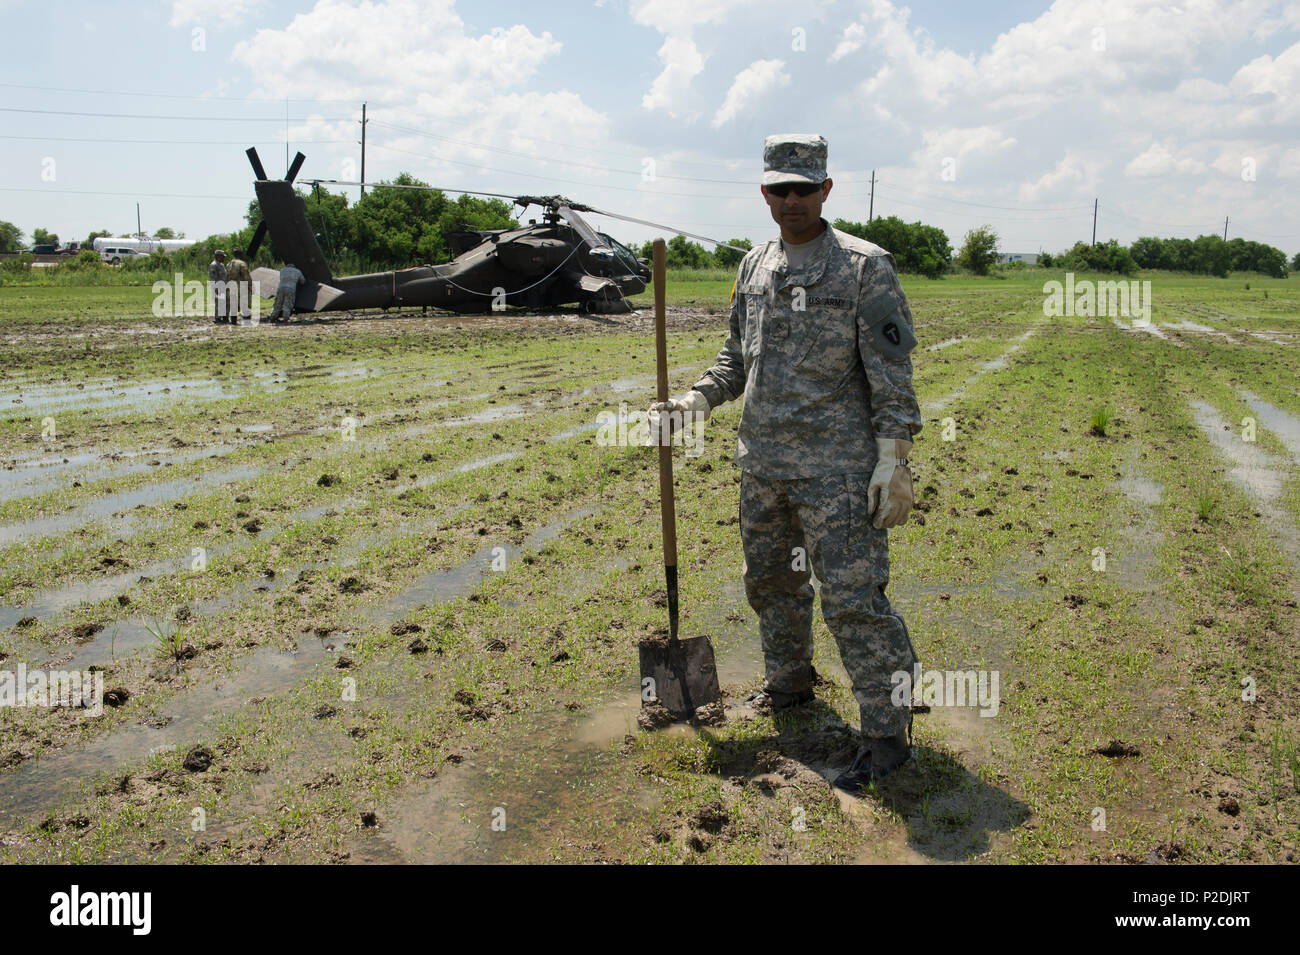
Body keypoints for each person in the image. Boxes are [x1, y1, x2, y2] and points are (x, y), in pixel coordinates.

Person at [649, 134, 923, 792]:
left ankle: (887, 733)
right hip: (763, 464)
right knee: (771, 585)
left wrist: (896, 457)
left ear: (827, 189)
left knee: (855, 600)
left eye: (805, 188)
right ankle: (789, 685)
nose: (792, 199)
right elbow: (734, 361)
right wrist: (696, 400)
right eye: (780, 188)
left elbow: (892, 376)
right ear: (764, 192)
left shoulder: (864, 266)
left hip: (838, 471)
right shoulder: (754, 266)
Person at [225, 247, 252, 324]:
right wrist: (250, 286)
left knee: (233, 304)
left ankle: (233, 321)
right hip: (241, 286)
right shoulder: (242, 264)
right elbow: (246, 276)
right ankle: (247, 321)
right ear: (241, 254)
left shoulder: (229, 264)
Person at [208, 250, 228, 324]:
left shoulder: (221, 265)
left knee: (224, 302)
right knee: (219, 302)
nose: (224, 258)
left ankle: (223, 317)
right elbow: (212, 278)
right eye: (222, 257)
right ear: (218, 256)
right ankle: (217, 318)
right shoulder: (213, 265)